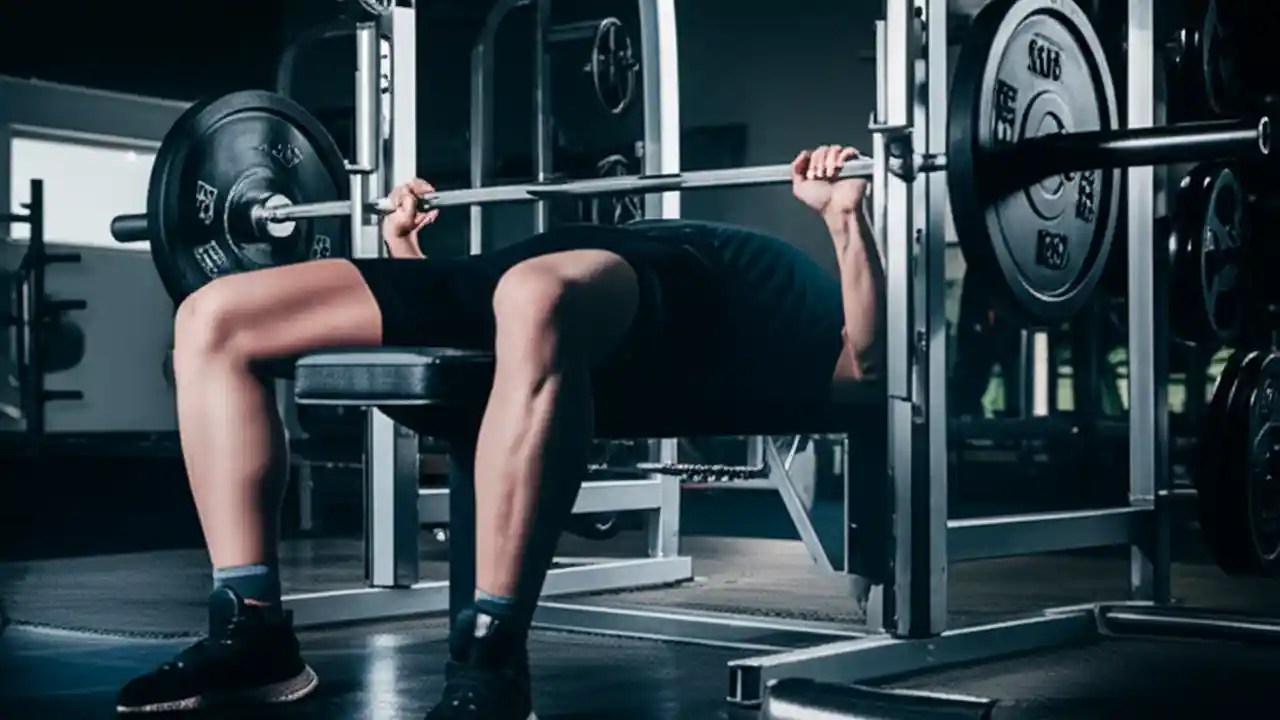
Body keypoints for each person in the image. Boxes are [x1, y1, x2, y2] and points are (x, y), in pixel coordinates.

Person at [114, 145, 883, 718]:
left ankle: (490, 660)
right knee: (211, 316)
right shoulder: (538, 279)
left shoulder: (808, 320)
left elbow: (867, 374)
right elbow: (475, 345)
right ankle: (250, 634)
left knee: (531, 295)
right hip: (514, 272)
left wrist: (847, 221)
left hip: (670, 290)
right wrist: (405, 244)